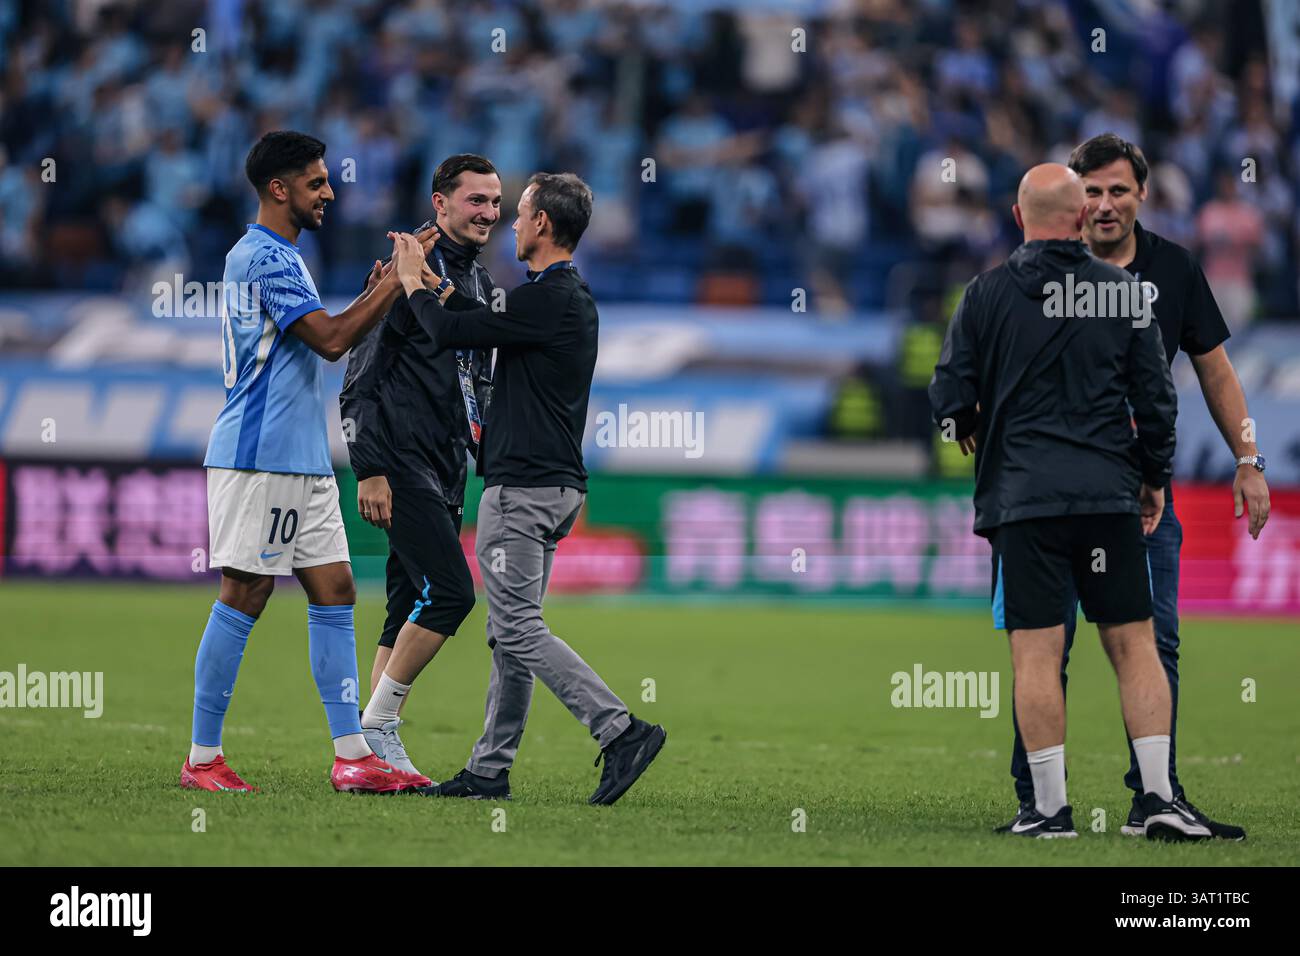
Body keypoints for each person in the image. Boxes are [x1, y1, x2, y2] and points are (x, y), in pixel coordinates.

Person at [931, 163, 1209, 840]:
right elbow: (1157, 403)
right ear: (1083, 218)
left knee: (1035, 655)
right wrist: (1151, 476)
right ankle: (1157, 799)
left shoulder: (986, 293)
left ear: (1019, 218)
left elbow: (946, 395)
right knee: (1135, 646)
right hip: (1106, 498)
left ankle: (1049, 810)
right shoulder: (1125, 295)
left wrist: (967, 425)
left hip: (1023, 501)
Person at [1002, 134, 1268, 840]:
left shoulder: (1173, 270)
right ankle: (1038, 797)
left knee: (1158, 641)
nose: (1106, 203)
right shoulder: (1037, 271)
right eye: (1092, 190)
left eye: (1120, 190)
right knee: (1042, 642)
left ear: (1143, 195)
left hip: (1141, 491)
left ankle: (1156, 795)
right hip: (1052, 490)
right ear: (1073, 196)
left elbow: (1215, 371)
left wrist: (1250, 460)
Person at [389, 172, 666, 805]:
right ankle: (490, 768)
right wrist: (438, 287)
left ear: (542, 225)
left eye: (519, 213)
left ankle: (621, 730)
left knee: (514, 628)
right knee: (512, 629)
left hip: (523, 490)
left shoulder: (550, 298)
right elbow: (482, 319)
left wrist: (410, 285)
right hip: (551, 486)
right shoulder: (557, 297)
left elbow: (455, 333)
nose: (510, 222)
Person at [182, 130, 436, 794]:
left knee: (335, 590)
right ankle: (202, 759)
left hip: (299, 456)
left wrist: (379, 290)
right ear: (279, 188)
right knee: (246, 591)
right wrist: (398, 288)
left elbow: (324, 333)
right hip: (260, 455)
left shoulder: (284, 255)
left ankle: (352, 754)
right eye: (317, 182)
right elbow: (328, 341)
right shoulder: (264, 257)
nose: (330, 191)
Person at [339, 154, 502, 779]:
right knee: (453, 593)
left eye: (495, 201)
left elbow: (475, 382)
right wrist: (370, 467)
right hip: (401, 458)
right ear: (440, 203)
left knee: (406, 598)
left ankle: (367, 754)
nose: (488, 212)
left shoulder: (482, 285)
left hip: (447, 464)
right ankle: (379, 726)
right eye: (475, 201)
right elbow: (358, 380)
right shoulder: (405, 273)